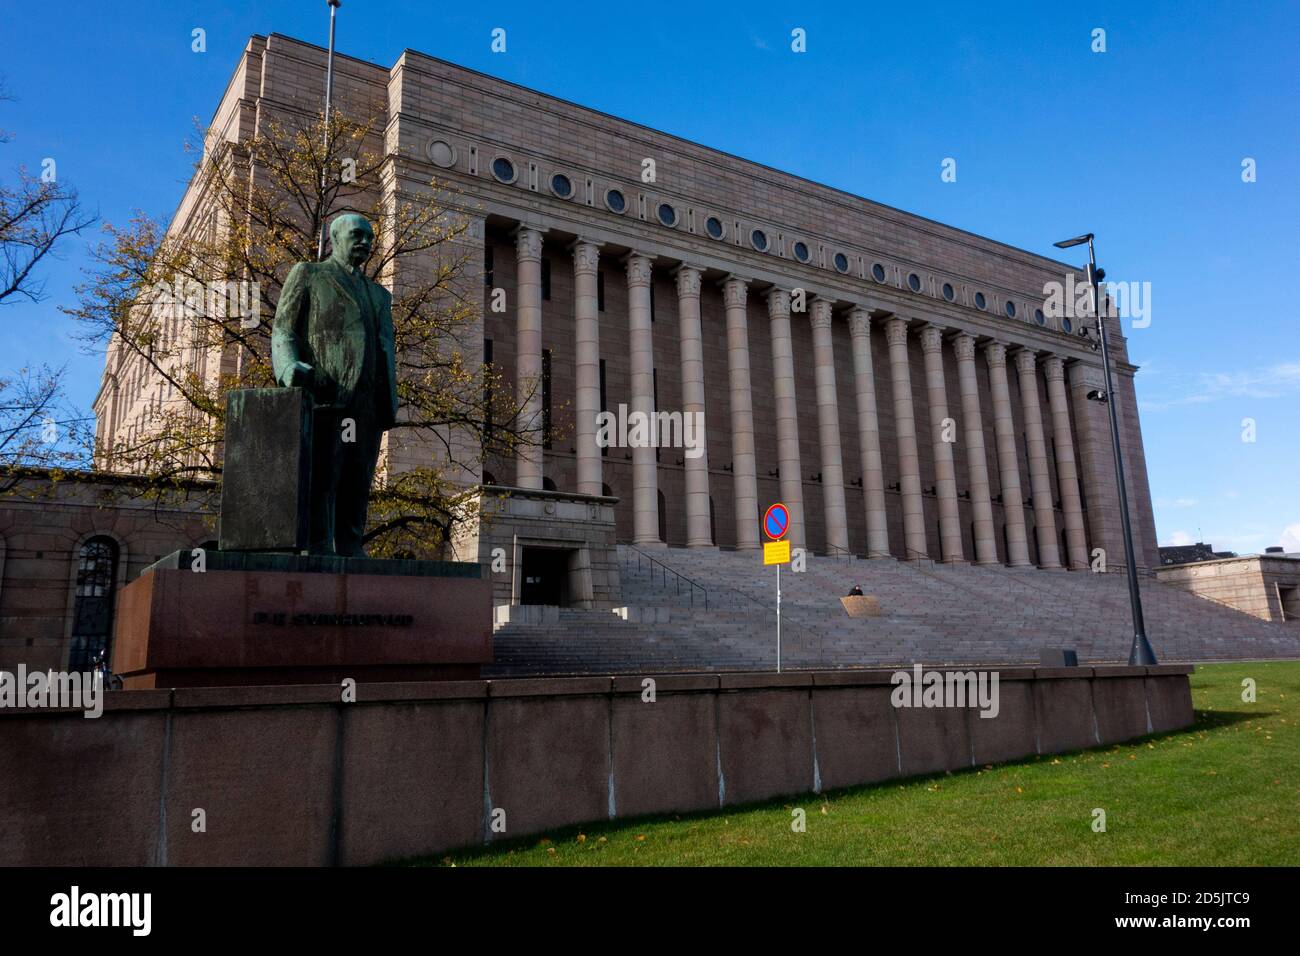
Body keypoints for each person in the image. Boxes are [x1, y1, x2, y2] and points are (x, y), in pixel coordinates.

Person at [272, 213, 399, 557]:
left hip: (368, 402)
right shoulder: (309, 274)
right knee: (324, 474)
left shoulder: (379, 294)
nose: (365, 243)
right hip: (328, 394)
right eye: (358, 235)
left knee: (358, 479)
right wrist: (287, 366)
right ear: (335, 238)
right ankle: (317, 545)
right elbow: (284, 328)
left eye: (370, 238)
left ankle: (350, 544)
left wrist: (388, 395)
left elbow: (384, 344)